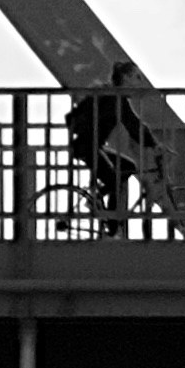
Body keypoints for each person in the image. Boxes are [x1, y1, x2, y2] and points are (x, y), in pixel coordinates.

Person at [67, 60, 157, 238]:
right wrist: (154, 144)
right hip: (87, 146)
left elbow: (132, 124)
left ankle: (100, 202)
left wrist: (152, 143)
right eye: (136, 77)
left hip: (91, 145)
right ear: (125, 78)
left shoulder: (113, 95)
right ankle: (113, 228)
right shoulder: (114, 97)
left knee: (128, 167)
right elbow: (133, 125)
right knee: (116, 180)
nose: (140, 81)